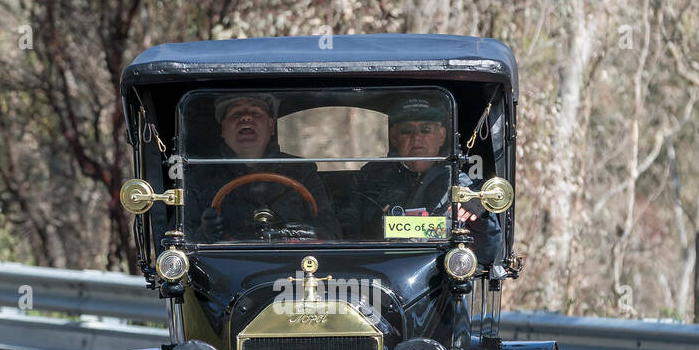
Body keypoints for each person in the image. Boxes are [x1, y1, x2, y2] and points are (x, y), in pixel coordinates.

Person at [351, 95, 503, 261]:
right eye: (407, 131)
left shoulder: (461, 185)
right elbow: (344, 233)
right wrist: (375, 223)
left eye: (426, 129)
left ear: (441, 136)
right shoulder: (370, 178)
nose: (416, 138)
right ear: (394, 137)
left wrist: (480, 219)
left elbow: (489, 251)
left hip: (436, 277)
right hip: (381, 269)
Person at [186, 94, 338, 241]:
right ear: (224, 129)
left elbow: (330, 232)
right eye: (236, 113)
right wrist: (204, 233)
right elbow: (178, 238)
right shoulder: (200, 176)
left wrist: (302, 233)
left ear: (271, 126)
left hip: (292, 262)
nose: (245, 118)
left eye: (255, 113)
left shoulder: (301, 171)